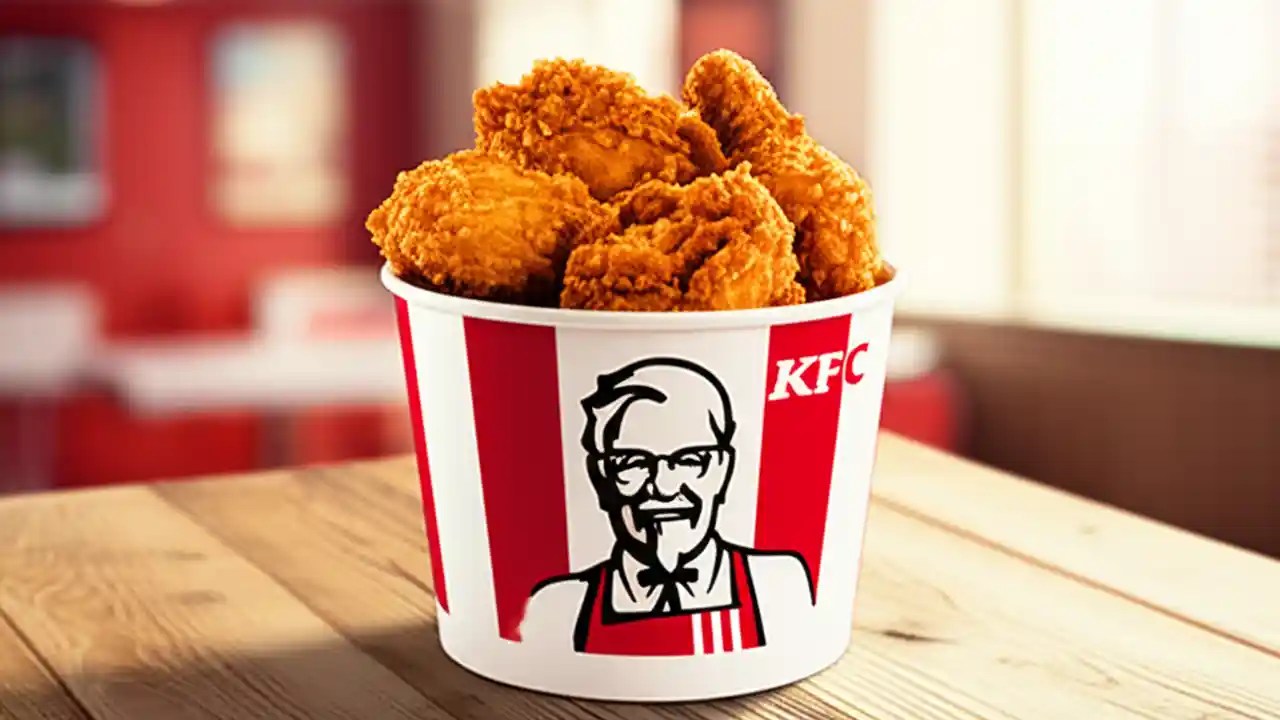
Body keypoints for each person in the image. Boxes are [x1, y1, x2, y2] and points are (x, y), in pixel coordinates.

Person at [520, 357, 813, 656]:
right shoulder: (559, 604)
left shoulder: (777, 582)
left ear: (723, 470)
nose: (663, 487)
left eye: (689, 460)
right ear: (600, 478)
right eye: (632, 462)